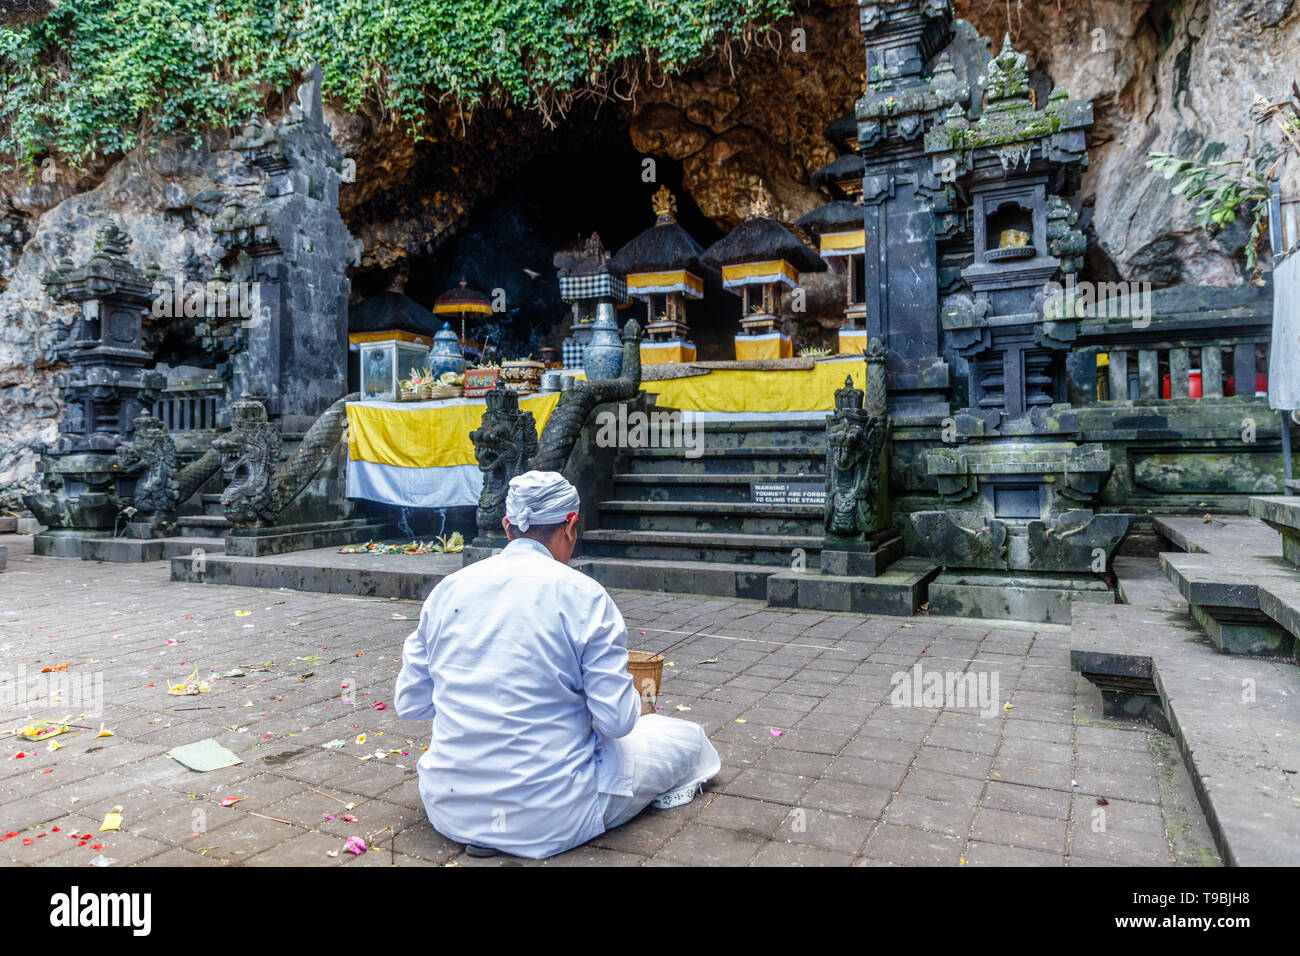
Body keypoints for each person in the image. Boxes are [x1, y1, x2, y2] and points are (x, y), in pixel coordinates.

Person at [394, 469, 721, 859]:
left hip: (451, 808)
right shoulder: (585, 596)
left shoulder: (448, 591)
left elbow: (411, 704)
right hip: (554, 816)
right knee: (686, 738)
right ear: (570, 526)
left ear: (507, 526)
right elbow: (617, 722)